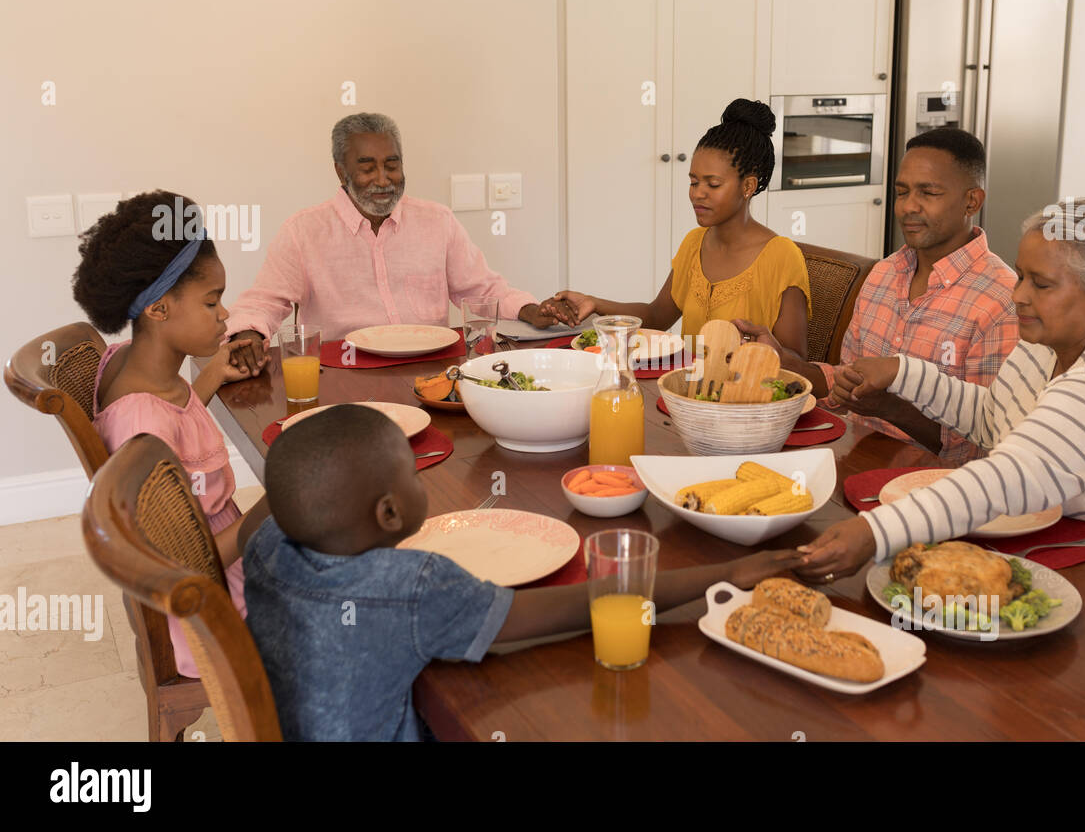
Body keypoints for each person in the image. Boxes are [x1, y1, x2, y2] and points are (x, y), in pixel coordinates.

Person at [242, 404, 803, 741]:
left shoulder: (267, 544)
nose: (421, 485)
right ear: (388, 513)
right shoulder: (413, 588)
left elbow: (263, 513)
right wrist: (729, 572)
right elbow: (590, 602)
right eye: (413, 477)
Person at [796, 199, 1085, 582]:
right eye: (1020, 276)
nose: (1017, 294)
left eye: (1040, 284)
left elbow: (1005, 479)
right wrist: (901, 372)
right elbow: (991, 420)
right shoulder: (1044, 347)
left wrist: (876, 532)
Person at [72, 190, 272, 678]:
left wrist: (209, 377)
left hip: (221, 571)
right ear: (159, 309)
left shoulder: (129, 363)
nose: (225, 315)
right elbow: (188, 569)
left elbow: (168, 437)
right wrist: (277, 503)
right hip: (213, 609)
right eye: (212, 301)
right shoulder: (141, 425)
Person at [735, 127, 1018, 466]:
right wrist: (781, 361)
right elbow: (844, 380)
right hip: (852, 456)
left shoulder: (1002, 300)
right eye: (902, 192)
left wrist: (890, 409)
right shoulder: (885, 273)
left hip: (934, 488)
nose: (909, 207)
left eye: (928, 193)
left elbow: (985, 447)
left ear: (972, 201)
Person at [224, 112, 559, 374]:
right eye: (367, 168)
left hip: (432, 372)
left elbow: (484, 291)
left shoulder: (437, 221)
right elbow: (263, 302)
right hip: (344, 375)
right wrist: (248, 334)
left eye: (392, 165)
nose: (383, 180)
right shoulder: (303, 231)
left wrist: (530, 309)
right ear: (342, 173)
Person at [541, 99, 811, 355]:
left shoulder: (782, 257)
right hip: (685, 391)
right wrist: (595, 303)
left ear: (748, 186)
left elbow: (796, 360)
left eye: (712, 184)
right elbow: (657, 316)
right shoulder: (695, 243)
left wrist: (761, 352)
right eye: (694, 182)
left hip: (745, 399)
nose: (698, 194)